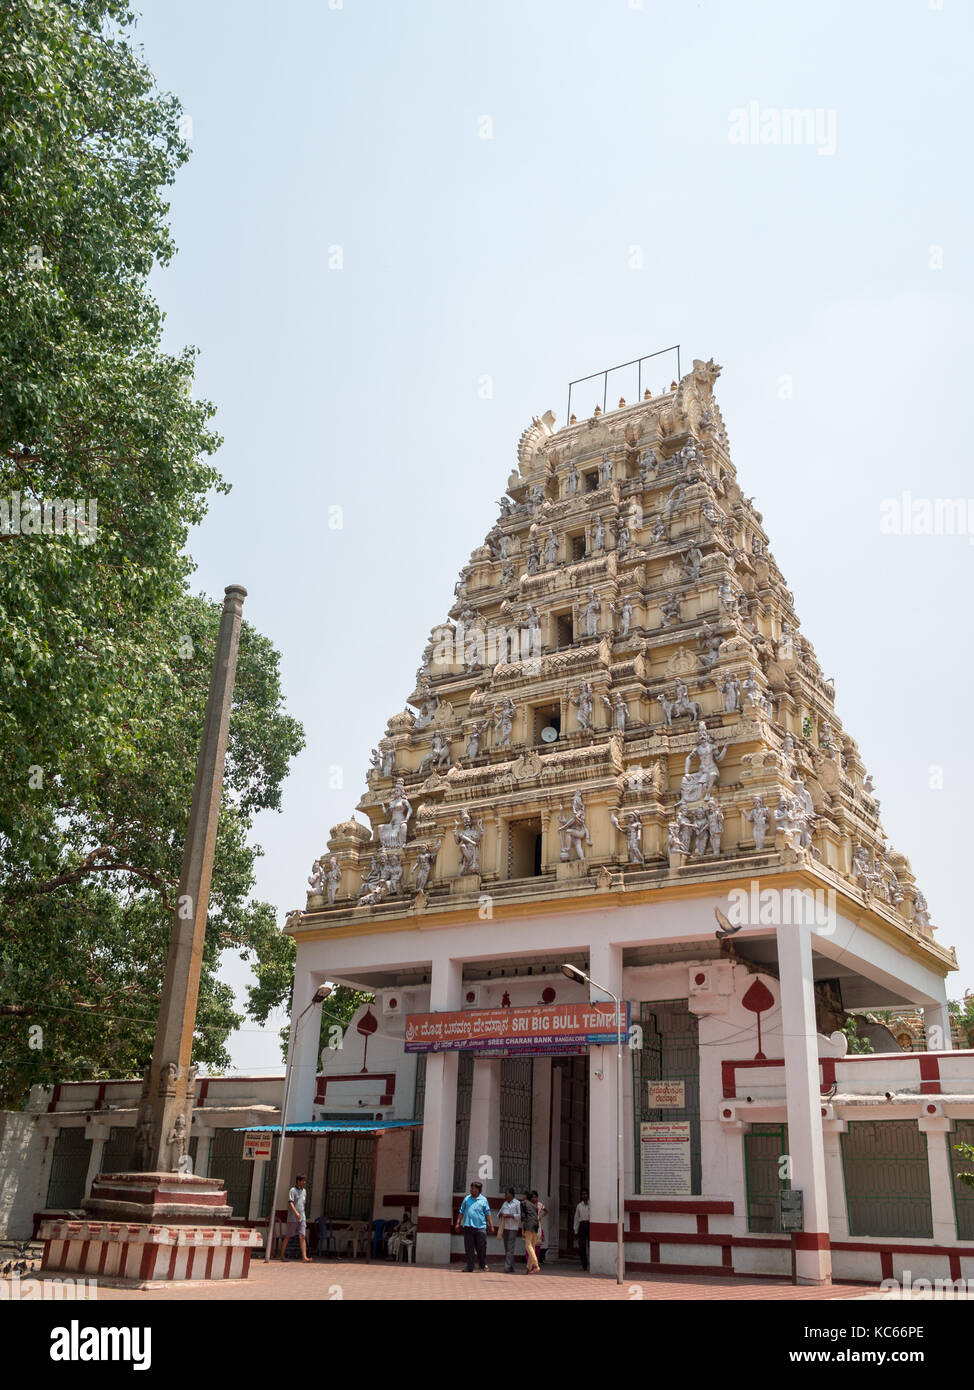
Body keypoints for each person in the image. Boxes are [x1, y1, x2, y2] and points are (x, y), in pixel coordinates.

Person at [455, 1180, 494, 1271]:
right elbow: (461, 1212)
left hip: (481, 1228)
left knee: (481, 1248)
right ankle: (470, 1266)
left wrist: (491, 1226)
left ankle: (482, 1264)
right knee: (469, 1248)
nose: (470, 1190)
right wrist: (458, 1223)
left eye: (472, 1188)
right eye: (471, 1188)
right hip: (468, 1227)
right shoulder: (467, 1199)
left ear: (477, 1190)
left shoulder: (484, 1200)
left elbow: (488, 1213)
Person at [283, 1174, 311, 1263]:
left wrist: (301, 1215)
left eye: (304, 1181)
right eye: (303, 1181)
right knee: (288, 1236)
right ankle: (282, 1255)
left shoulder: (304, 1191)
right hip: (293, 1218)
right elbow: (290, 1202)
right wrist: (296, 1213)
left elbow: (302, 1204)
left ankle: (304, 1257)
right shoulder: (293, 1190)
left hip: (302, 1217)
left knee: (302, 1236)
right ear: (298, 1181)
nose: (304, 1182)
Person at [497, 1188, 522, 1274]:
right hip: (505, 1228)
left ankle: (507, 1267)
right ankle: (511, 1266)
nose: (505, 1196)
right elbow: (499, 1213)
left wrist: (510, 1215)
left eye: (506, 1194)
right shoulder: (504, 1203)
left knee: (510, 1248)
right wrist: (501, 1214)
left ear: (511, 1194)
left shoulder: (517, 1203)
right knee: (507, 1248)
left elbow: (519, 1216)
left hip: (513, 1228)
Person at [520, 1190, 541, 1274]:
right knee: (532, 1247)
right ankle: (529, 1267)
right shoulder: (534, 1206)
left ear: (525, 1197)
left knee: (528, 1245)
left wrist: (522, 1230)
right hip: (536, 1225)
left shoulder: (523, 1203)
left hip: (529, 1224)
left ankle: (536, 1265)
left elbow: (523, 1218)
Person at [573, 1190, 591, 1271]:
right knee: (582, 1246)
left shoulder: (591, 1205)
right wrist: (575, 1229)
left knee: (590, 1245)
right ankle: (584, 1264)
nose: (584, 1196)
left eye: (586, 1194)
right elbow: (576, 1218)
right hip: (582, 1225)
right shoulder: (579, 1206)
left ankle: (591, 1263)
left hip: (590, 1225)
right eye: (583, 1194)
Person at [532, 1191, 549, 1265]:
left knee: (537, 1245)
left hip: (538, 1225)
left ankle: (536, 1262)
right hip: (530, 1224)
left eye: (535, 1197)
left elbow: (546, 1211)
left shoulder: (539, 1205)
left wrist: (541, 1216)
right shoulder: (529, 1204)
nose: (534, 1198)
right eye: (532, 1197)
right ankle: (530, 1262)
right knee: (530, 1244)